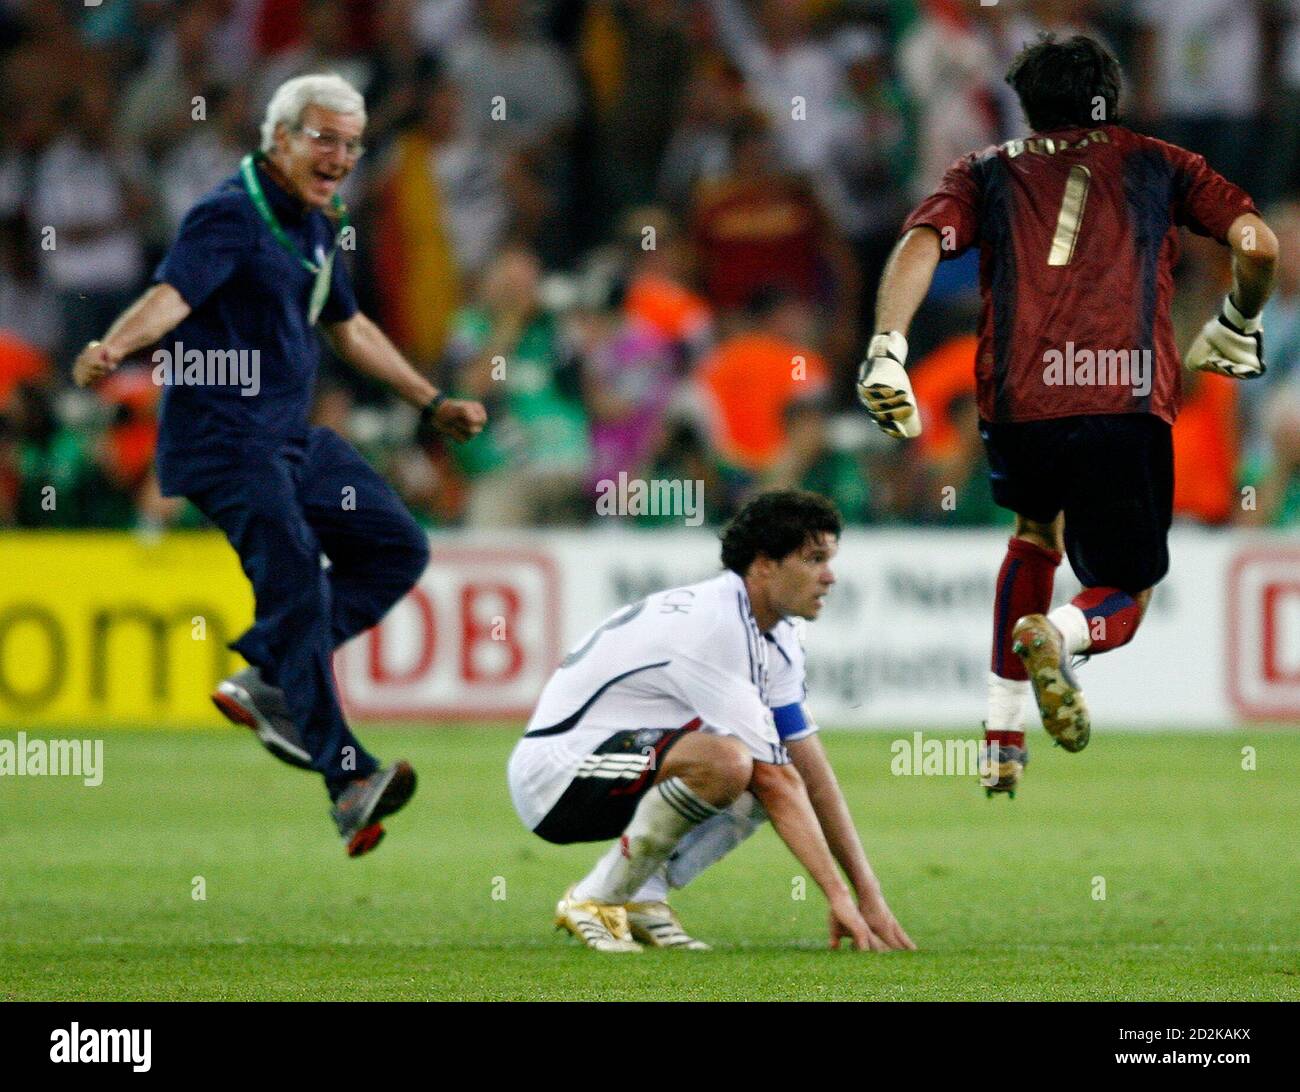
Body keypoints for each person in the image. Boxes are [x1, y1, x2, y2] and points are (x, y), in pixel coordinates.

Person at [72, 74, 487, 854]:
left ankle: (268, 671)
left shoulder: (319, 224)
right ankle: (348, 781)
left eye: (351, 145)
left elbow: (351, 328)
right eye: (323, 138)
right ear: (280, 138)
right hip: (224, 441)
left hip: (289, 438)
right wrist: (117, 344)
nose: (338, 157)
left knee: (398, 546)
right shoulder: (229, 214)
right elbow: (171, 295)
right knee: (295, 569)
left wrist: (431, 403)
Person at [855, 35, 1277, 795]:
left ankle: (1001, 735)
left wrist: (888, 343)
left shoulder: (983, 169)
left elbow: (921, 240)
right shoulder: (1161, 161)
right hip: (1123, 394)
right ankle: (1061, 633)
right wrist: (1239, 318)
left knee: (1033, 533)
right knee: (1128, 588)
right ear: (1111, 98)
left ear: (1028, 104)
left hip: (1020, 400)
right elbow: (1259, 242)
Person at [507, 490, 914, 953]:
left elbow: (809, 775)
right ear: (763, 564)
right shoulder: (714, 623)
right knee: (732, 763)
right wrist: (838, 896)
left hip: (619, 764)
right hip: (553, 776)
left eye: (830, 559)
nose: (830, 576)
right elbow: (776, 780)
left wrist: (868, 894)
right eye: (814, 559)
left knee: (764, 768)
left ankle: (642, 894)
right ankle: (595, 899)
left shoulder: (777, 633)